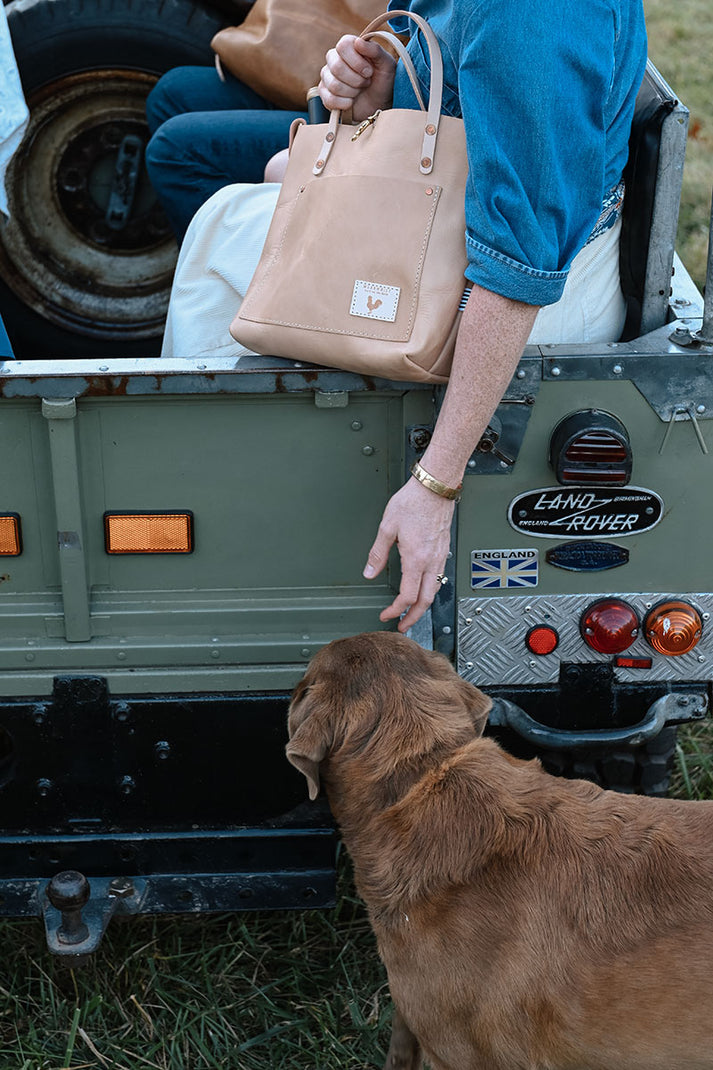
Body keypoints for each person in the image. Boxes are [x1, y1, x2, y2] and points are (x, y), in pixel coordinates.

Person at [162, 0, 647, 633]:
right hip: (467, 230)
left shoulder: (530, 11)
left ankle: (220, 519)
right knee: (246, 198)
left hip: (526, 291)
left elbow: (519, 271)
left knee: (223, 230)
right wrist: (382, 93)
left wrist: (435, 487)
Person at [145, 65, 305, 242]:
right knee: (169, 95)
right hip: (317, 88)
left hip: (337, 123)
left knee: (171, 149)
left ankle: (235, 262)